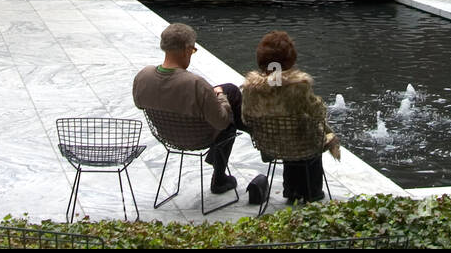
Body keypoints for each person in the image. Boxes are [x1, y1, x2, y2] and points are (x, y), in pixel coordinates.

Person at [132, 23, 243, 194]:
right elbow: (221, 123)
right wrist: (220, 97)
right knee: (230, 95)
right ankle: (219, 178)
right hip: (199, 138)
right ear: (186, 50)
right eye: (192, 51)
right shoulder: (195, 84)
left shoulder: (143, 76)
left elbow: (139, 103)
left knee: (226, 89)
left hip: (167, 135)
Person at [241, 30, 340, 204]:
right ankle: (312, 192)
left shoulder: (250, 88)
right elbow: (318, 113)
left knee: (287, 133)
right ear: (291, 60)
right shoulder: (298, 87)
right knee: (308, 133)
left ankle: (291, 190)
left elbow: (246, 117)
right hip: (301, 144)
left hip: (269, 143)